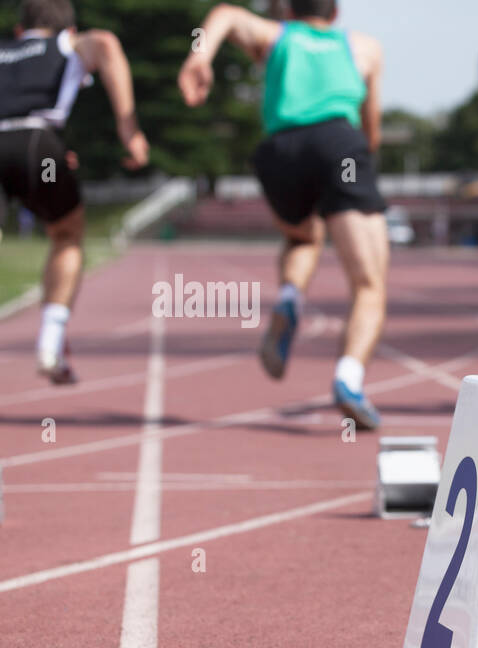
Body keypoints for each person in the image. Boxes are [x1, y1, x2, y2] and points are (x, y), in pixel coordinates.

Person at [178, 0, 389, 429]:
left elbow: (226, 15)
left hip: (280, 151)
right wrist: (357, 162)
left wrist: (199, 55)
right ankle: (348, 379)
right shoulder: (363, 47)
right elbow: (371, 130)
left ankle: (290, 298)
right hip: (338, 144)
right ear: (336, 14)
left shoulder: (277, 36)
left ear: (288, 9)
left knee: (302, 237)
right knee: (369, 285)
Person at [0, 0, 149, 385]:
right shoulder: (67, 45)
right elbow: (107, 46)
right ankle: (50, 344)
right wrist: (128, 128)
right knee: (67, 236)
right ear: (68, 30)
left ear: (19, 31)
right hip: (39, 148)